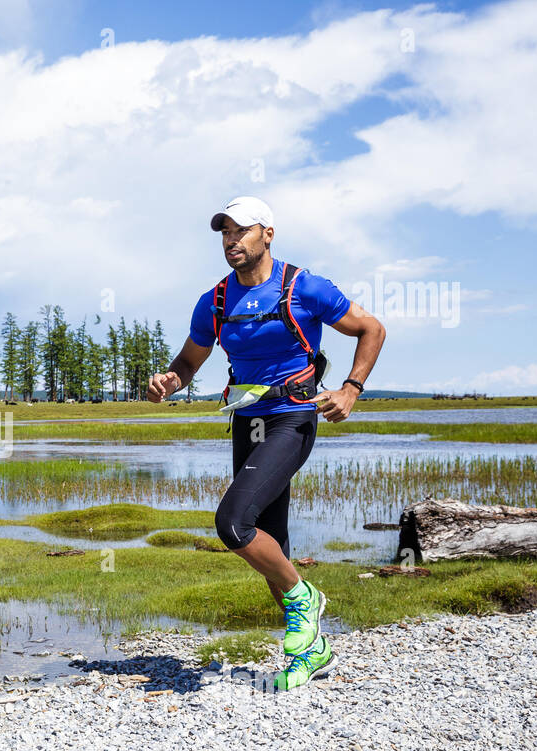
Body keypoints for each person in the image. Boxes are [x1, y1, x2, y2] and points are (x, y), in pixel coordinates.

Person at [147, 196, 386, 690]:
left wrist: (350, 389)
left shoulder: (304, 287)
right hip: (246, 422)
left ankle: (306, 599)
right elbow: (190, 360)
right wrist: (171, 379)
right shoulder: (215, 300)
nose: (231, 240)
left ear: (268, 234)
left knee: (233, 524)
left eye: (241, 230)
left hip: (293, 417)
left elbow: (371, 329)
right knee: (270, 542)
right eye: (224, 233)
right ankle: (311, 652)